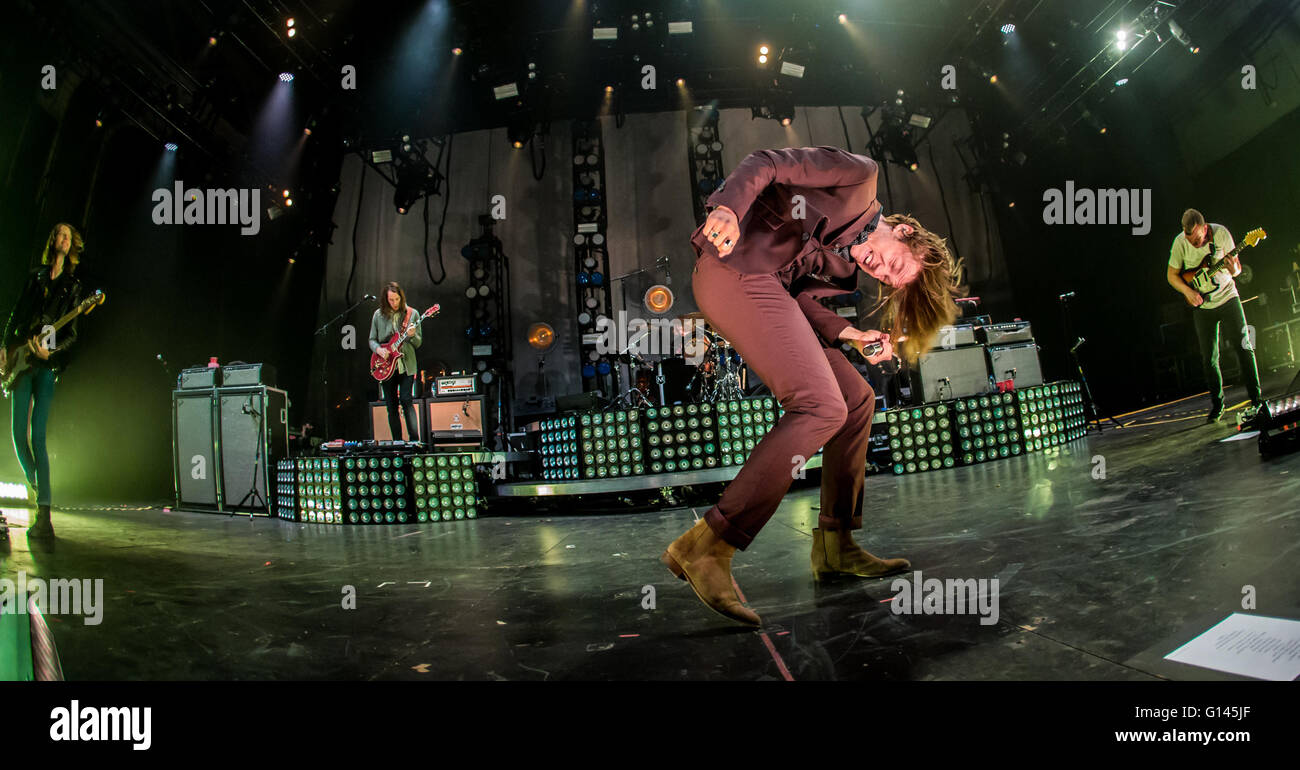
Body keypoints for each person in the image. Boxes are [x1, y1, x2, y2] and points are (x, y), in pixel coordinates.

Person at [660, 146, 963, 625]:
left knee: (856, 399)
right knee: (821, 406)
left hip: (771, 292)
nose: (879, 272)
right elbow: (766, 162)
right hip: (734, 271)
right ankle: (709, 545)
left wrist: (852, 335)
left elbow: (801, 300)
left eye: (887, 280)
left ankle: (836, 544)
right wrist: (729, 208)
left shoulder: (844, 270)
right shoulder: (858, 177)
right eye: (894, 265)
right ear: (905, 233)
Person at [1, 223, 88, 539]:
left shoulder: (74, 287)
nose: (63, 239)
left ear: (72, 245)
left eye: (68, 235)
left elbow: (72, 335)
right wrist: (3, 346)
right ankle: (38, 483)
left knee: (38, 437)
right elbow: (15, 314)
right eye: (59, 234)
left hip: (47, 368)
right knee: (17, 436)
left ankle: (45, 517)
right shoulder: (35, 276)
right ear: (53, 241)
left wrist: (53, 355)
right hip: (22, 362)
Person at [1165, 208, 1262, 422]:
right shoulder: (1180, 242)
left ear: (1205, 228)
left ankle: (1257, 399)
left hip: (1227, 296)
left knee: (1245, 347)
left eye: (1198, 239)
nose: (1195, 244)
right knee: (1209, 359)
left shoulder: (1221, 234)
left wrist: (1233, 269)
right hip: (1203, 306)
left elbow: (1236, 270)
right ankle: (1218, 405)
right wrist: (1188, 291)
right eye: (1191, 241)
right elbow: (1171, 275)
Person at [368, 282, 422, 441]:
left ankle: (414, 441)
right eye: (391, 300)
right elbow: (372, 340)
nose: (394, 303)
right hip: (386, 366)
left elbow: (418, 343)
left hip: (406, 365)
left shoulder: (412, 314)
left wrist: (412, 335)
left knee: (406, 400)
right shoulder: (378, 315)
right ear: (385, 299)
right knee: (391, 405)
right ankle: (398, 442)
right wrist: (379, 350)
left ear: (401, 297)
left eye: (397, 299)